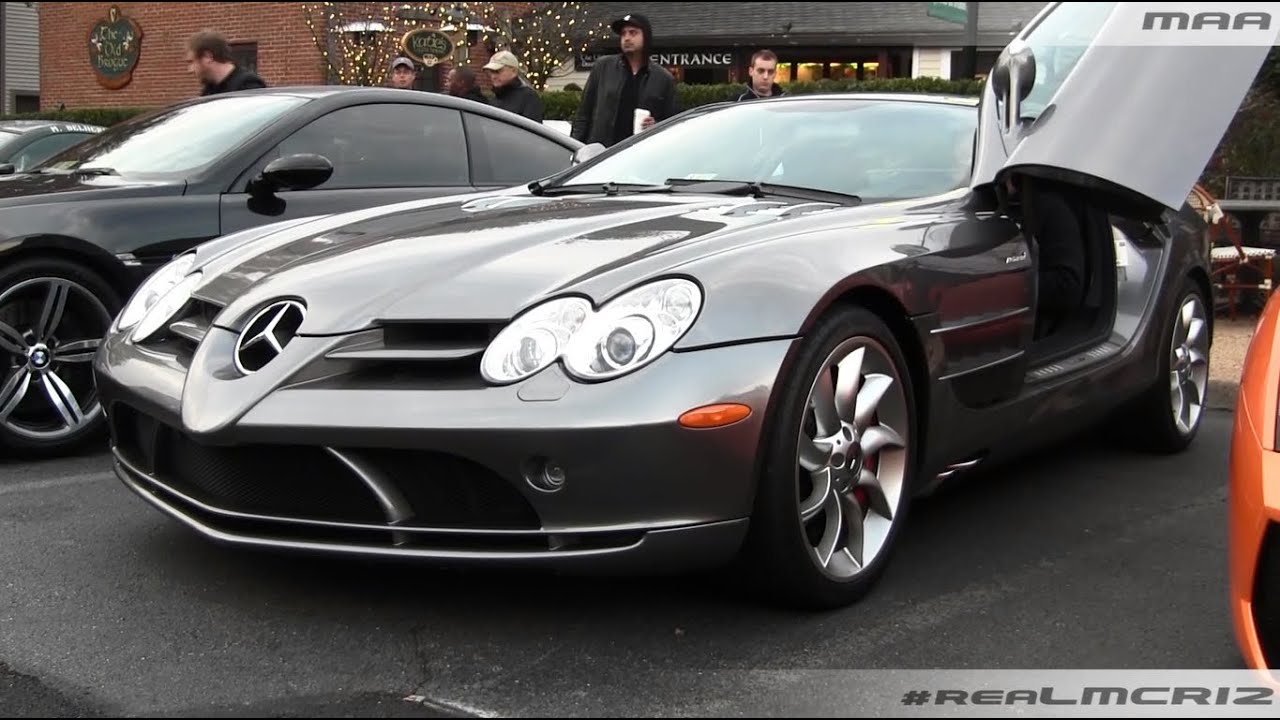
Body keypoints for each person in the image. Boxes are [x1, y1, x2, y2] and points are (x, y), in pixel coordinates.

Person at [571, 13, 678, 147]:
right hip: (601, 153)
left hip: (640, 154)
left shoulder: (662, 78)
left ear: (646, 36)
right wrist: (575, 147)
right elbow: (583, 114)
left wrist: (655, 126)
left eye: (633, 33)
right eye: (623, 34)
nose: (627, 38)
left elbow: (672, 124)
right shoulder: (603, 67)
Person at [1007, 175, 1087, 338]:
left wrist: (1005, 288)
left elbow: (1067, 286)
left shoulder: (1050, 210)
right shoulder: (989, 215)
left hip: (1039, 333)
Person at [186, 30, 266, 96]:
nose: (190, 70)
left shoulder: (248, 85)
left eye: (192, 62)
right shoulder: (209, 89)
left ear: (208, 57)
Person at [484, 51, 543, 121]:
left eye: (497, 71)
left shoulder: (528, 97)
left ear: (514, 71)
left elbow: (532, 129)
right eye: (491, 72)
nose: (493, 76)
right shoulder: (495, 98)